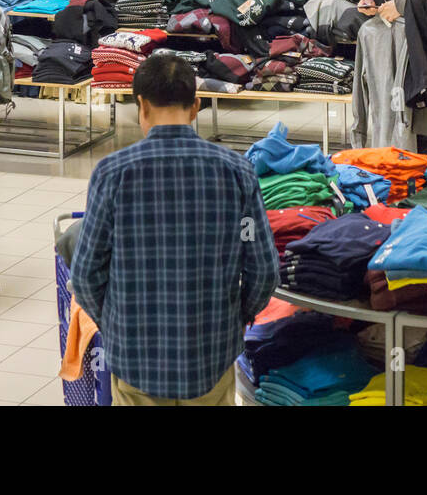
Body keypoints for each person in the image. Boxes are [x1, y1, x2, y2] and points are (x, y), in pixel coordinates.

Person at [71, 54, 278, 406]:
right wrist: (240, 316)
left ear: (141, 104)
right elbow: (263, 269)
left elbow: (86, 273)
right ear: (196, 106)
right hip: (211, 352)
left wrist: (115, 325)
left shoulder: (112, 173)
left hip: (136, 357)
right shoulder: (236, 172)